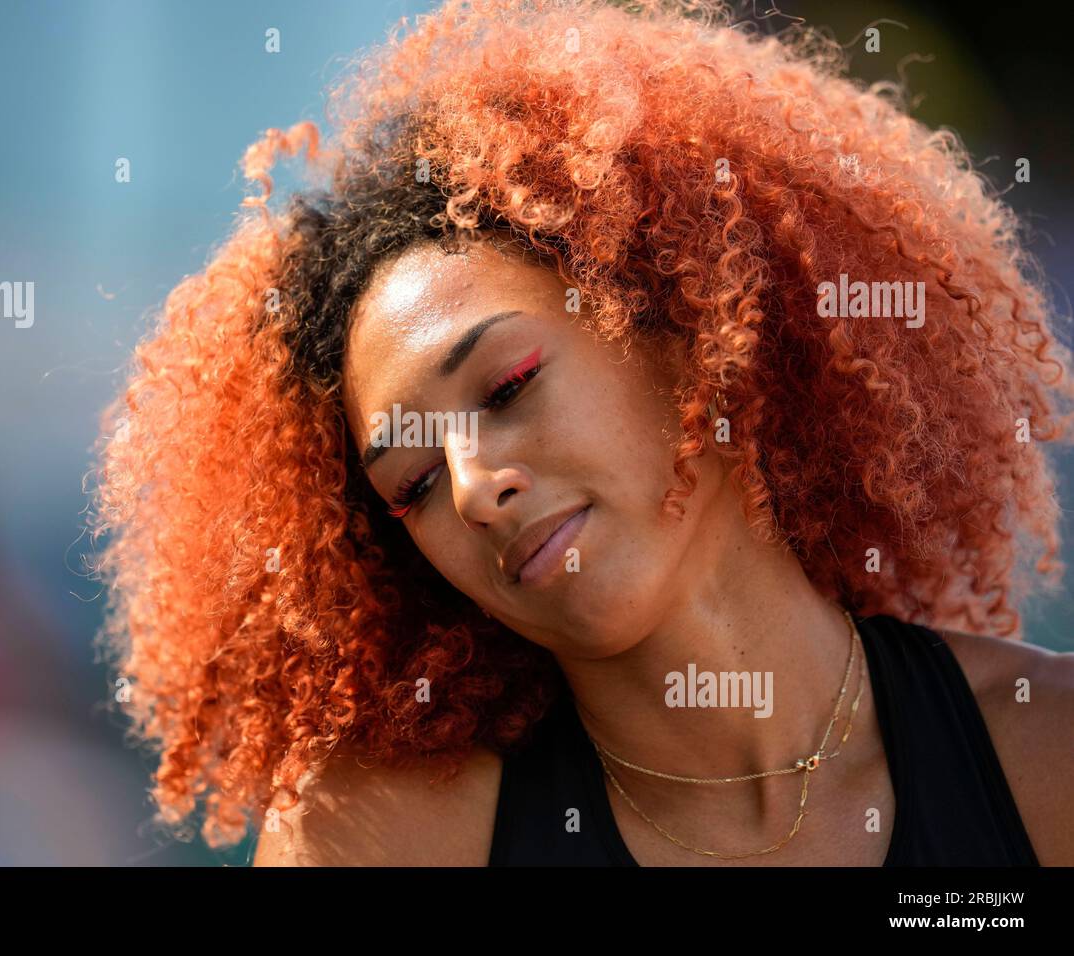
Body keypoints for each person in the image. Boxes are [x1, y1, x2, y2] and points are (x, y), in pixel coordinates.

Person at [90, 0, 1074, 866]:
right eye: (414, 482)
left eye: (508, 384)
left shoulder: (1044, 761)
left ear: (691, 328)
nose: (474, 489)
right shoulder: (386, 834)